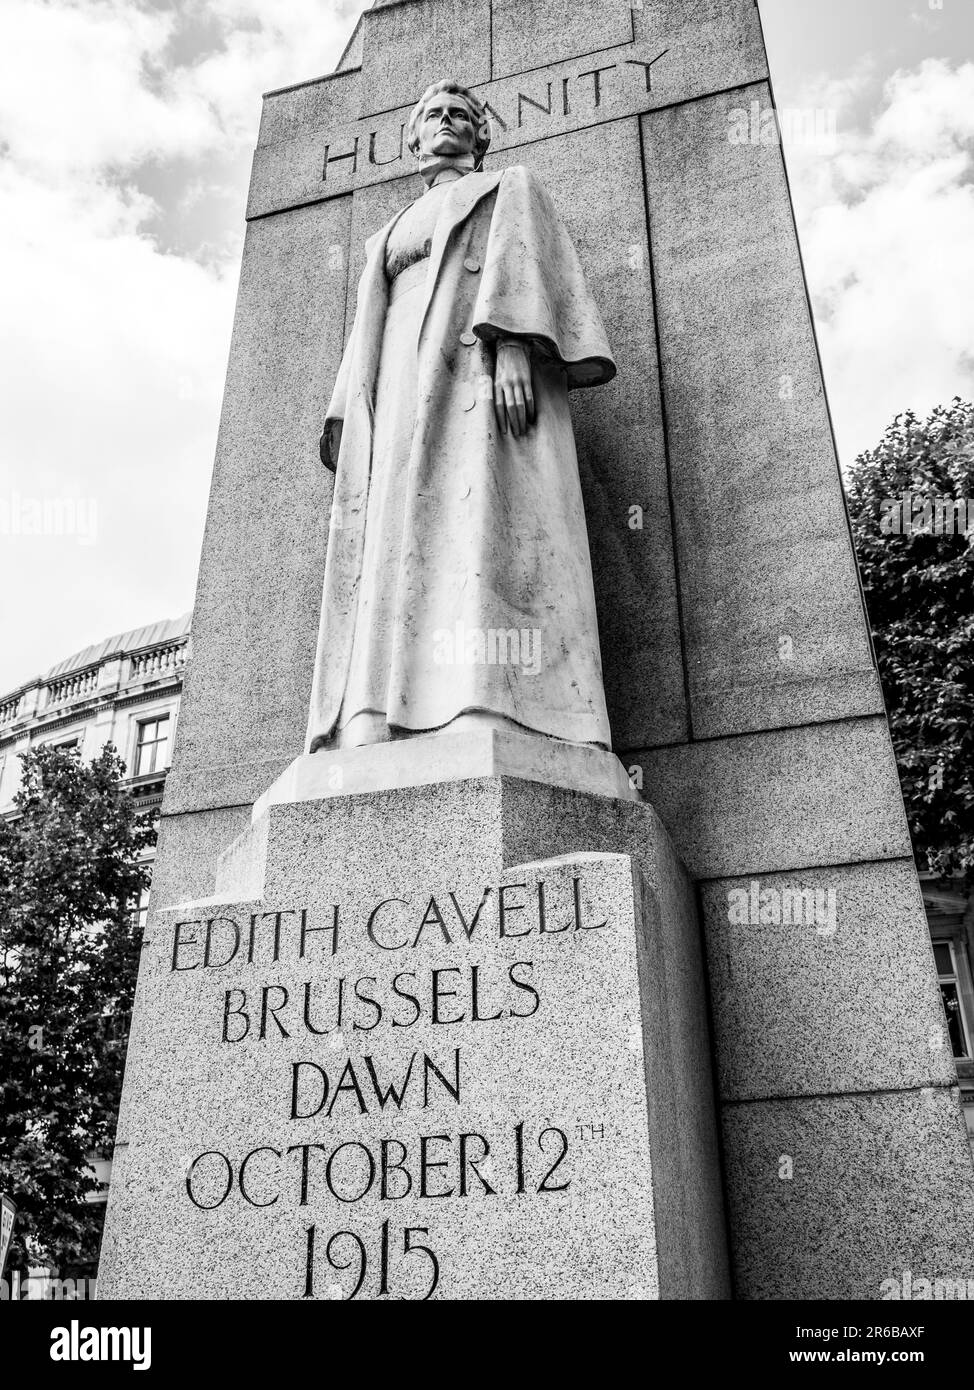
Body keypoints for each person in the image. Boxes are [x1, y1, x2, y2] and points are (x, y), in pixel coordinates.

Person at [306, 78, 617, 754]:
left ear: (479, 134)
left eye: (460, 115)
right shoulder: (384, 235)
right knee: (394, 545)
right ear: (412, 140)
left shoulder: (511, 186)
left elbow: (526, 272)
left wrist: (513, 345)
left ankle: (483, 701)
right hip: (398, 392)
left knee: (478, 532)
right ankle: (373, 712)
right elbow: (369, 330)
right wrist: (351, 421)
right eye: (432, 116)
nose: (446, 122)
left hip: (470, 375)